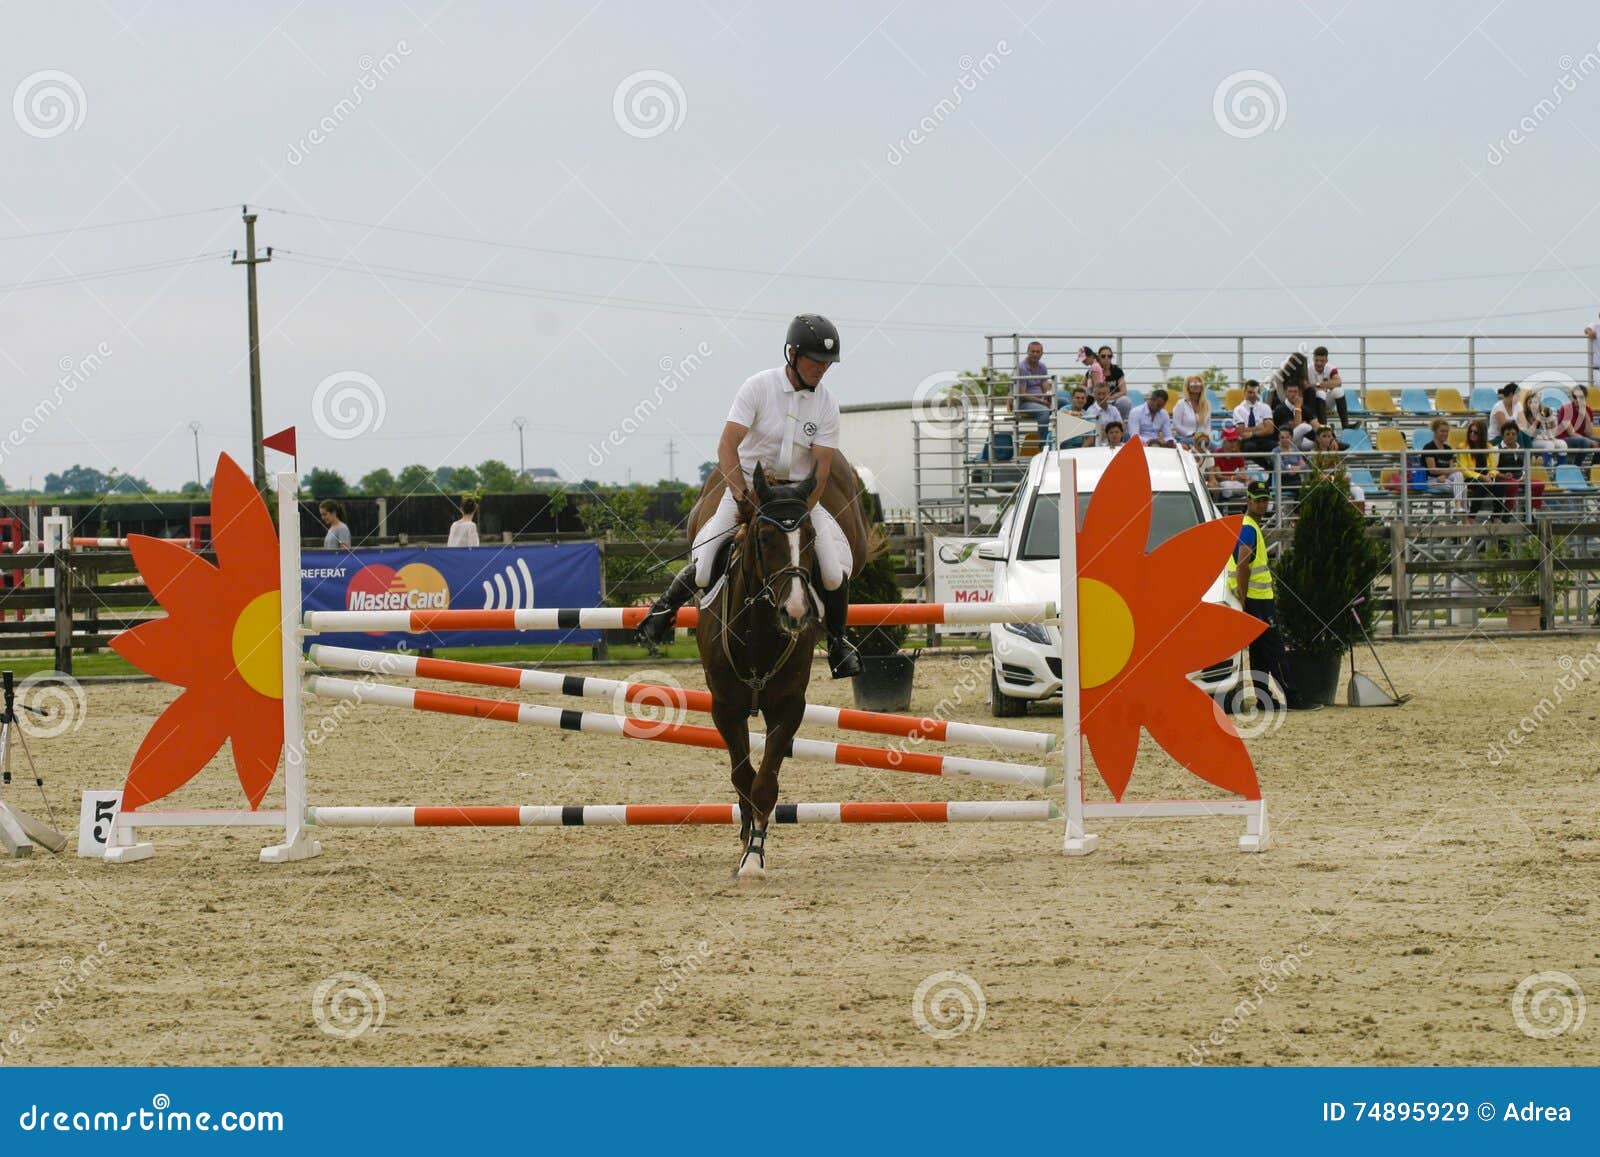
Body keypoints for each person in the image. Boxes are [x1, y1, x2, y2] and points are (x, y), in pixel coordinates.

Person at [637, 314, 860, 678]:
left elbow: (821, 469)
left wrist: (800, 511)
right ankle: (663, 610)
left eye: (827, 363)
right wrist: (742, 497)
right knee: (705, 564)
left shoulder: (826, 404)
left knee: (834, 574)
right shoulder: (758, 387)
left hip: (799, 498)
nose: (822, 368)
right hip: (750, 490)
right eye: (816, 361)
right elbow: (727, 446)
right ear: (792, 354)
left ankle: (838, 642)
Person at [1230, 480, 1298, 711]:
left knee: (1258, 651)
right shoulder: (1248, 527)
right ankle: (1292, 697)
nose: (1261, 504)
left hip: (1254, 598)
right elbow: (1243, 561)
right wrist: (1244, 595)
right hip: (1257, 599)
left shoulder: (1246, 525)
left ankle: (1263, 698)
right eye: (1257, 500)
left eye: (1264, 500)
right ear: (1248, 500)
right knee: (1274, 650)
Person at [1421, 418, 1466, 512]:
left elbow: (1451, 469)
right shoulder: (1429, 447)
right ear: (1435, 432)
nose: (1445, 434)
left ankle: (1458, 507)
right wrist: (1445, 474)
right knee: (1462, 487)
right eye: (1442, 431)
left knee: (1459, 475)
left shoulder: (1448, 448)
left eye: (1446, 431)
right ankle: (1463, 514)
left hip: (1445, 478)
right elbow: (1432, 470)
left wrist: (1444, 475)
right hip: (1431, 480)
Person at [1458, 419, 1500, 518]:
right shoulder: (1463, 447)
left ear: (1482, 434)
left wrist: (1491, 475)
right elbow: (1464, 470)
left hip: (1486, 478)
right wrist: (1481, 476)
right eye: (1470, 431)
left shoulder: (1488, 447)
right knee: (1483, 485)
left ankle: (1496, 516)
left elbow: (1493, 467)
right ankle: (1472, 516)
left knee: (1501, 485)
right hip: (1469, 478)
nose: (1472, 434)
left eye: (1475, 432)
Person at [1014, 341, 1053, 441]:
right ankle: (1043, 444)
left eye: (1038, 352)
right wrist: (1041, 401)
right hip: (1023, 403)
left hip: (1040, 400)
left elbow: (1045, 386)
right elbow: (1022, 395)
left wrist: (1048, 397)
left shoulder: (1042, 367)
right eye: (1033, 351)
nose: (1035, 354)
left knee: (1064, 401)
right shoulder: (1021, 368)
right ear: (1027, 352)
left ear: (1042, 353)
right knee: (1044, 411)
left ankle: (1064, 441)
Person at [1519, 389, 1566, 465]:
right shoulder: (1524, 415)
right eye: (1530, 402)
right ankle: (1542, 467)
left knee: (1563, 444)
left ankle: (1560, 468)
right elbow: (1529, 434)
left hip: (1547, 438)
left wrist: (1551, 419)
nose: (1533, 404)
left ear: (1539, 403)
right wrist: (1537, 420)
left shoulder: (1544, 411)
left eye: (1535, 402)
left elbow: (1553, 431)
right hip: (1532, 441)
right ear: (1527, 404)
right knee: (1550, 445)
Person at [1556, 384, 1597, 468]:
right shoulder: (1566, 409)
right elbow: (1571, 433)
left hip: (1581, 438)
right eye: (1575, 397)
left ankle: (1593, 469)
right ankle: (1576, 467)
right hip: (1565, 438)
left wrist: (1586, 415)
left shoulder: (1588, 410)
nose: (1577, 400)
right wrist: (1590, 441)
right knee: (1586, 442)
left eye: (1580, 397)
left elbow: (1589, 433)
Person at [1310, 346, 1350, 429]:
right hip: (1313, 402)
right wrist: (1324, 386)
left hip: (1326, 401)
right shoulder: (1307, 369)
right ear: (1313, 359)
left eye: (1322, 361)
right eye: (1317, 360)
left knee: (1338, 391)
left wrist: (1318, 385)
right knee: (1320, 393)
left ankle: (1345, 426)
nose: (1319, 363)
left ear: (1326, 361)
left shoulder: (1331, 368)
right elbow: (1304, 385)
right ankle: (1323, 427)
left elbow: (1338, 382)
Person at [1233, 379, 1277, 453]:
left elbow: (1270, 429)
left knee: (1275, 447)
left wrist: (1252, 433)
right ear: (1244, 392)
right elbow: (1241, 431)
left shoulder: (1265, 407)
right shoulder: (1238, 410)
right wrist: (1259, 427)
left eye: (1255, 393)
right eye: (1250, 392)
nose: (1252, 395)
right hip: (1246, 441)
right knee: (1250, 447)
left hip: (1263, 439)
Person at [1171, 375, 1211, 446]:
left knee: (1213, 447)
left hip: (1202, 438)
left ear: (1202, 386)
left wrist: (1206, 436)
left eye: (1198, 383)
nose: (1196, 385)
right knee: (1200, 444)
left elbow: (1208, 425)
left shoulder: (1206, 404)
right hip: (1184, 437)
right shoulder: (1181, 403)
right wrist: (1192, 434)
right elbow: (1176, 425)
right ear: (1187, 387)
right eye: (1192, 384)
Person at [1096, 345, 1132, 417]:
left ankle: (1122, 422)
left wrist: (1110, 398)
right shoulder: (1094, 370)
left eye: (1109, 356)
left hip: (1114, 399)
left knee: (1125, 401)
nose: (1106, 358)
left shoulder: (1117, 370)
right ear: (1099, 357)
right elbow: (1083, 385)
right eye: (1103, 356)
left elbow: (1123, 391)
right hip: (1099, 400)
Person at [1273, 427, 1307, 495]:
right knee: (1301, 488)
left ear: (1291, 438)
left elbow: (1304, 465)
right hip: (1283, 480)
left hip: (1296, 478)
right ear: (1279, 438)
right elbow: (1281, 467)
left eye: (1287, 437)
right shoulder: (1275, 451)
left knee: (1307, 485)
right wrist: (1294, 467)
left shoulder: (1295, 450)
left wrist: (1297, 467)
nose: (1285, 440)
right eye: (1282, 437)